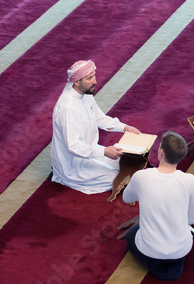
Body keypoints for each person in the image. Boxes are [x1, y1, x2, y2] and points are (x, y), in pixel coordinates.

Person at [50, 59, 141, 194]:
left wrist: (124, 127)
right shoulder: (67, 108)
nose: (95, 81)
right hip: (72, 164)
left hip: (90, 151)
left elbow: (99, 118)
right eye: (89, 78)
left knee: (129, 165)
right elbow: (73, 146)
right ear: (76, 82)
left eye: (94, 76)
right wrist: (104, 152)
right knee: (120, 178)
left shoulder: (85, 94)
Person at [122, 131, 194, 280]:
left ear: (161, 152)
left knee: (132, 232)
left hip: (150, 249)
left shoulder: (142, 176)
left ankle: (156, 266)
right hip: (180, 249)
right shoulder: (190, 180)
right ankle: (175, 262)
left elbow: (127, 198)